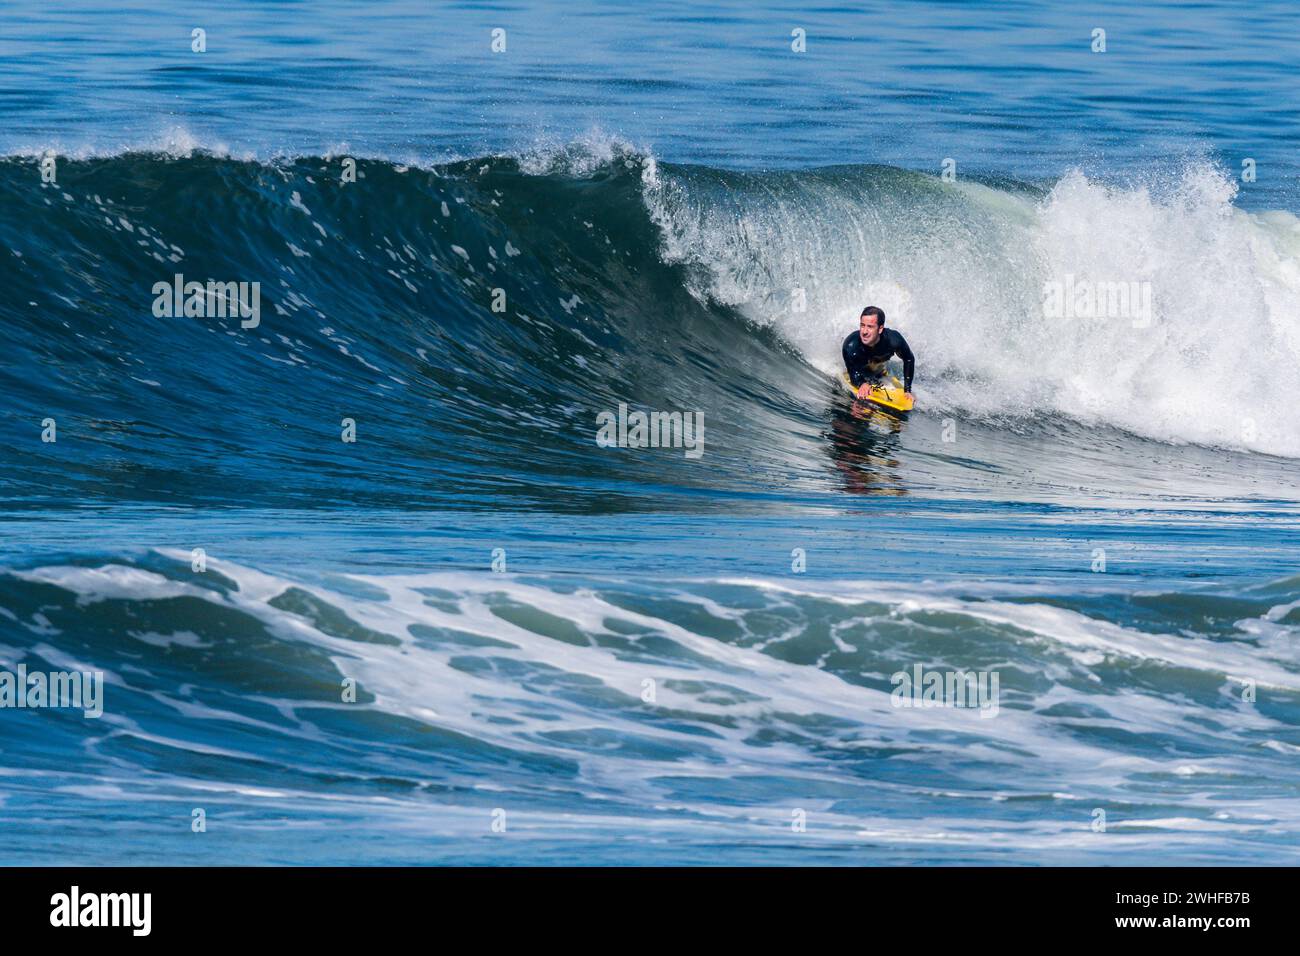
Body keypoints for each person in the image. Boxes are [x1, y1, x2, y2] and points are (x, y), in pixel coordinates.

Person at [842, 306, 914, 401]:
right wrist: (861, 383)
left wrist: (907, 390)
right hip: (861, 368)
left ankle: (879, 371)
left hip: (879, 368)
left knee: (877, 369)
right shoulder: (851, 346)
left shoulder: (894, 340)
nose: (864, 331)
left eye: (870, 327)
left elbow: (909, 359)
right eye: (862, 325)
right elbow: (854, 374)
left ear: (880, 329)